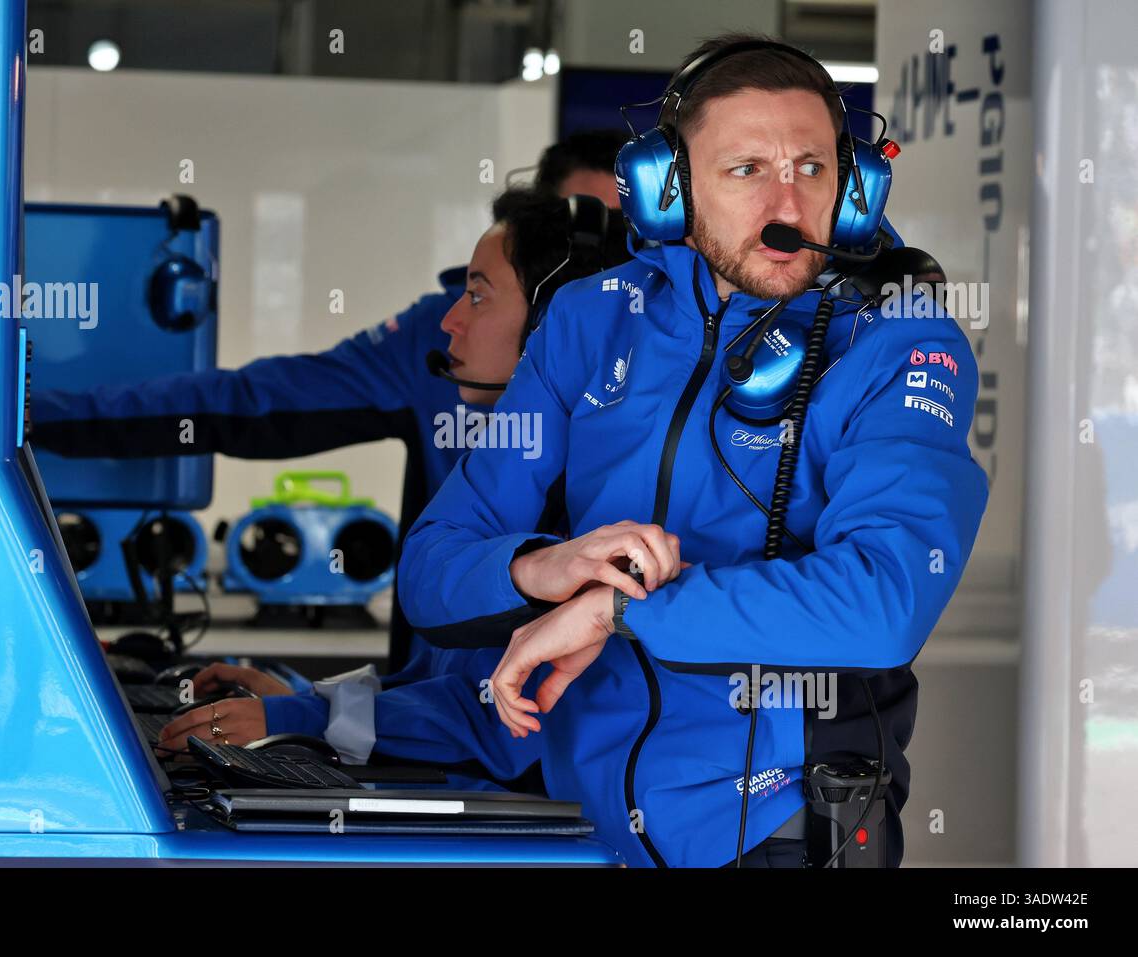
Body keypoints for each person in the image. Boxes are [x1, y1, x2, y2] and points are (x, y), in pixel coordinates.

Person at [396, 33, 989, 866]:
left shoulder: (899, 342)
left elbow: (885, 601)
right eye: (746, 169)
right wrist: (545, 568)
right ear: (666, 188)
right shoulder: (588, 319)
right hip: (586, 830)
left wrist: (623, 608)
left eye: (812, 169)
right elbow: (430, 567)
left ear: (853, 187)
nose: (786, 202)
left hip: (782, 832)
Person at [153, 187, 629, 772]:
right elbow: (447, 685)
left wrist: (303, 720)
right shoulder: (529, 462)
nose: (450, 321)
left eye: (477, 296)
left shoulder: (608, 496)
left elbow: (507, 728)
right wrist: (307, 702)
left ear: (552, 320)